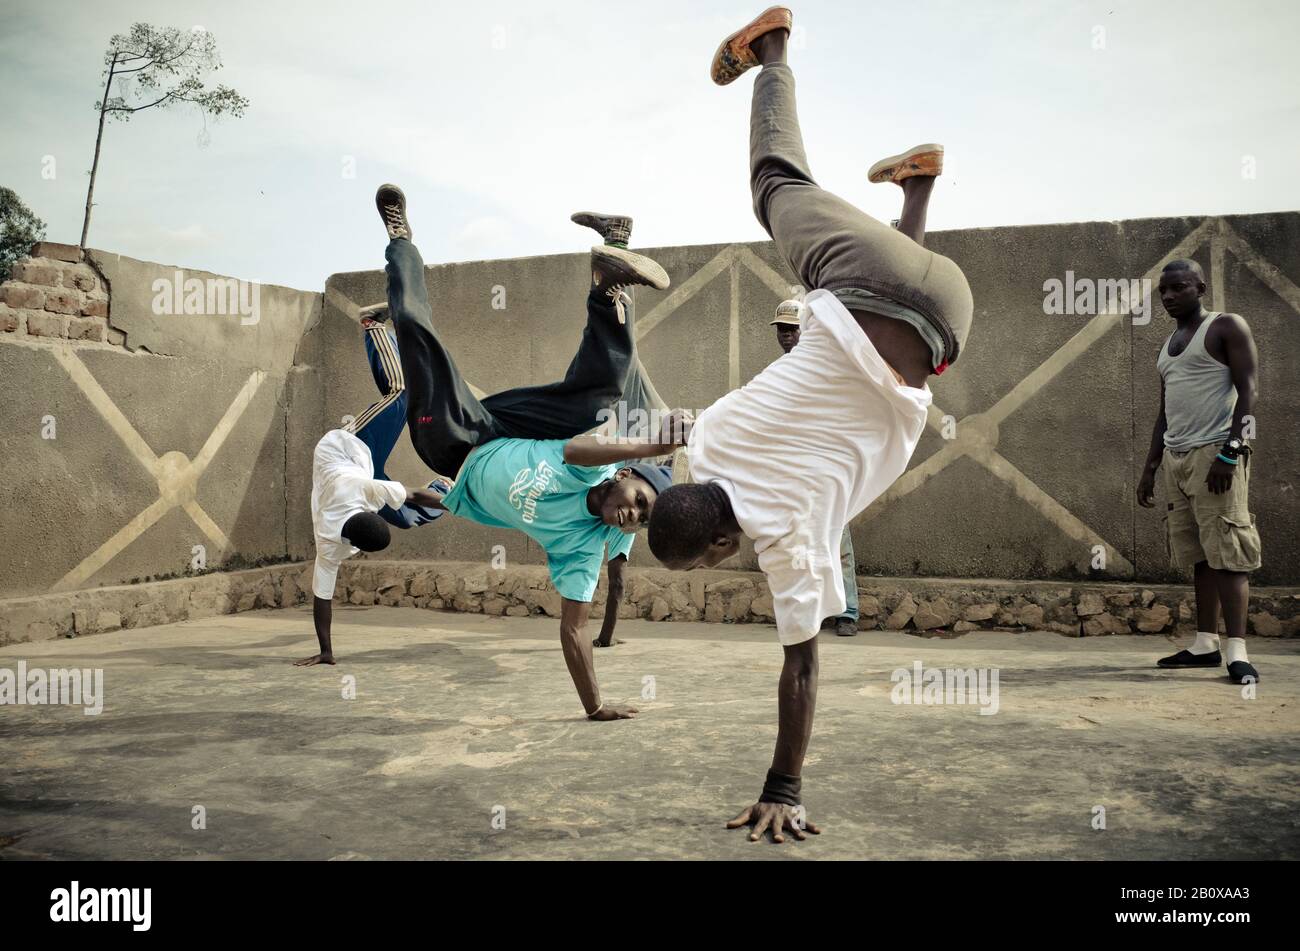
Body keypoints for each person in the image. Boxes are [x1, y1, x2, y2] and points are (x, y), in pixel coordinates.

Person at [648, 6, 974, 843]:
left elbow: (802, 665)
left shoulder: (790, 544)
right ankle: (908, 183)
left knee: (773, 181)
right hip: (870, 274)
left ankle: (773, 46)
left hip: (948, 319)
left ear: (724, 548)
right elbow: (664, 438)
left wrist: (783, 785)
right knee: (777, 190)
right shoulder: (713, 438)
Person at [354, 184, 684, 719]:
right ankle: (608, 290)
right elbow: (579, 450)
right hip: (521, 428)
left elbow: (573, 630)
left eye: (640, 522)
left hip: (459, 445)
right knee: (600, 396)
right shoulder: (588, 466)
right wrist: (660, 442)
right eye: (640, 502)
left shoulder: (582, 551)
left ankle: (401, 241)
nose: (632, 515)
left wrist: (594, 706)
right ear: (626, 475)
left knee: (416, 334)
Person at [1137, 259, 1262, 685]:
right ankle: (1206, 644)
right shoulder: (1168, 343)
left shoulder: (1226, 327)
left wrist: (1232, 451)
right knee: (1201, 556)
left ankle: (1237, 652)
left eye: (1178, 288)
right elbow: (1164, 411)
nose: (1169, 297)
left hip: (1216, 455)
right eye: (1163, 292)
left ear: (1200, 287)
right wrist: (1151, 466)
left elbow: (1249, 390)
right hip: (1177, 459)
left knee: (1229, 553)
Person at [771, 298, 860, 638]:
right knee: (801, 545)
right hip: (795, 470)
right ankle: (816, 611)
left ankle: (848, 612)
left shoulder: (825, 366)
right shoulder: (779, 373)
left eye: (792, 329)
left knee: (839, 542)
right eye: (782, 330)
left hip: (828, 467)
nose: (787, 336)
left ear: (805, 330)